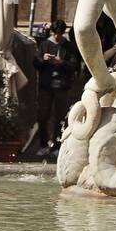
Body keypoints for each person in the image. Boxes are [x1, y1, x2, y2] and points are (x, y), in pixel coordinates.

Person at [34, 19, 76, 155]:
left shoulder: (68, 46)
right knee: (43, 115)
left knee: (61, 116)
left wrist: (62, 62)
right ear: (52, 32)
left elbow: (74, 66)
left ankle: (57, 145)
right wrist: (43, 59)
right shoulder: (44, 45)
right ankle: (43, 144)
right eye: (55, 34)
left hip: (62, 86)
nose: (58, 36)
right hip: (46, 85)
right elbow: (35, 63)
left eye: (60, 34)